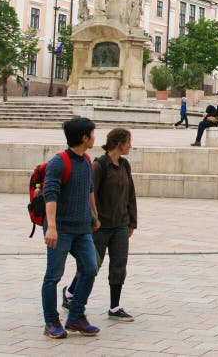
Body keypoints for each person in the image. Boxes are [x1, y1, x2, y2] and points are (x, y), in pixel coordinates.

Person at [63, 128, 137, 322]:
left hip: (121, 225)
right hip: (100, 226)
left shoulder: (124, 165)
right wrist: (93, 219)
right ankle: (70, 293)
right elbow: (90, 194)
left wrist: (132, 221)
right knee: (92, 265)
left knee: (119, 265)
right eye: (128, 142)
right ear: (119, 143)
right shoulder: (99, 166)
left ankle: (115, 307)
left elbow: (130, 194)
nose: (130, 146)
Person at [41, 117, 101, 339]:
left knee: (90, 268)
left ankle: (75, 317)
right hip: (61, 230)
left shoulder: (86, 160)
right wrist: (52, 227)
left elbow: (89, 189)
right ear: (84, 138)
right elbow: (50, 194)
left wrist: (94, 215)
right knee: (53, 276)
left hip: (82, 228)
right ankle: (51, 321)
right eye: (92, 134)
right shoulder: (59, 162)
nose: (94, 138)